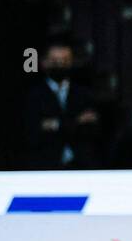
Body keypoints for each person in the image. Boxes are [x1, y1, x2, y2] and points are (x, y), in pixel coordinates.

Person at [22, 37, 100, 168]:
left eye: (65, 61)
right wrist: (75, 122)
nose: (60, 65)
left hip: (81, 167)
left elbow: (91, 131)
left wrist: (54, 124)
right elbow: (32, 133)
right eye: (55, 61)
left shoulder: (84, 95)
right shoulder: (33, 96)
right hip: (44, 168)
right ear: (44, 62)